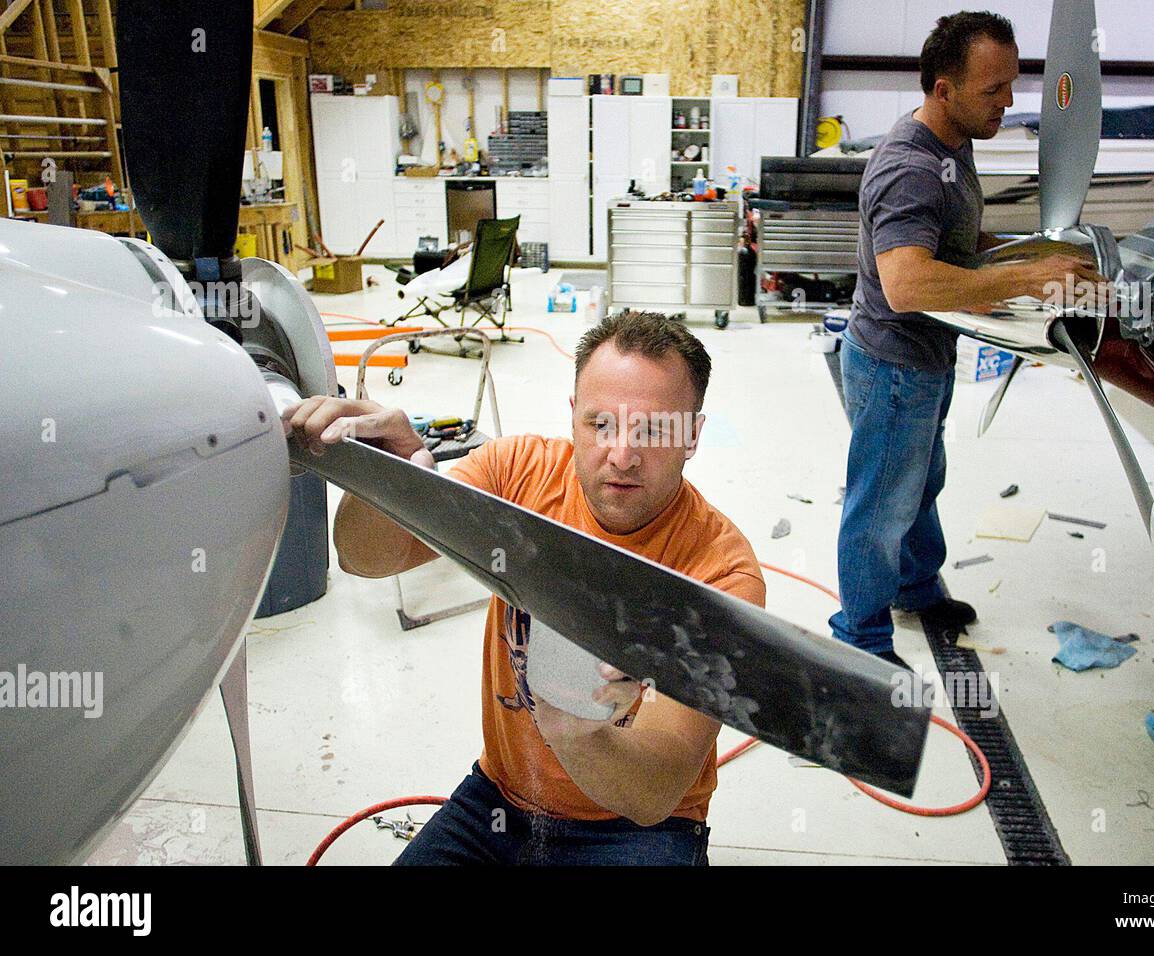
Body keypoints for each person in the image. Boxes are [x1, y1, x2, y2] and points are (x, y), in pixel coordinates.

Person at [283, 311, 764, 865]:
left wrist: (578, 732)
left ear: (693, 436)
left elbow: (653, 794)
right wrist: (392, 480)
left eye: (653, 429)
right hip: (499, 804)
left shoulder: (721, 573)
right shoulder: (516, 476)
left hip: (634, 830)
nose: (622, 455)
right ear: (573, 418)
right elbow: (364, 558)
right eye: (600, 424)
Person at [832, 11, 1104, 666]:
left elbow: (952, 246)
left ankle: (916, 587)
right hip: (895, 365)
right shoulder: (911, 167)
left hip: (925, 359)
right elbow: (908, 283)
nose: (1008, 103)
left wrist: (1023, 255)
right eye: (994, 90)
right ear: (944, 89)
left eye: (1011, 85)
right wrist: (1027, 279)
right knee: (879, 507)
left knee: (921, 480)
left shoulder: (953, 145)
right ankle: (860, 642)